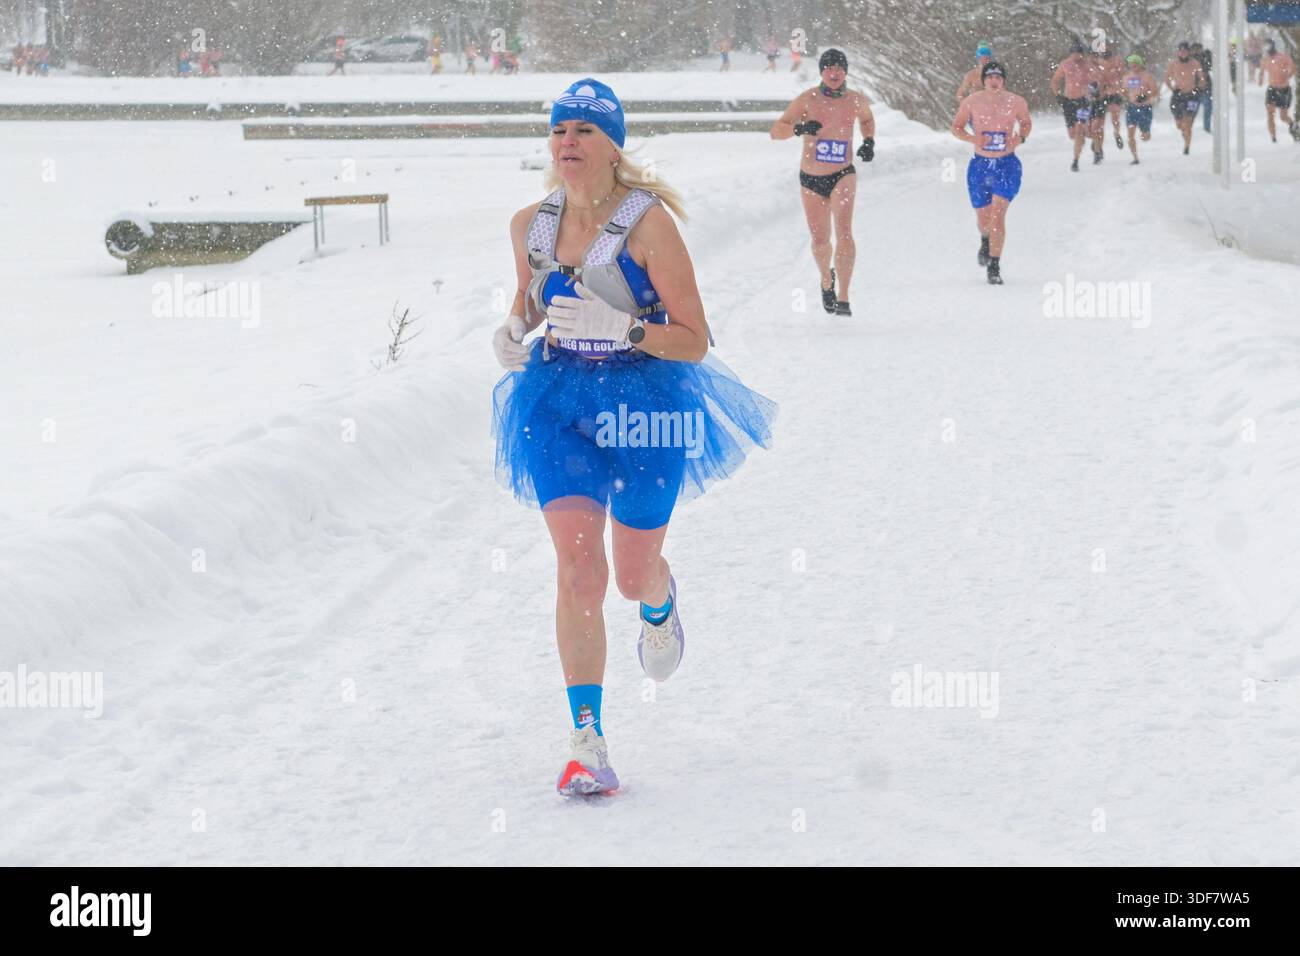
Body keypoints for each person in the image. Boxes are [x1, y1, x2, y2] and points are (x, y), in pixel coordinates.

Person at [491, 78, 777, 797]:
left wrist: (627, 328)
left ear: (614, 144)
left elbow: (695, 340)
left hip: (645, 404)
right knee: (579, 571)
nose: (568, 144)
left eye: (585, 131)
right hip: (556, 403)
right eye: (559, 131)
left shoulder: (647, 225)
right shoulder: (531, 223)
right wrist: (512, 331)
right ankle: (587, 742)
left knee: (626, 575)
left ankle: (660, 599)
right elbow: (527, 303)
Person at [770, 48, 875, 315]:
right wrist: (799, 129)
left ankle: (844, 297)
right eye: (829, 69)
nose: (834, 73)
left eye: (839, 68)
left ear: (846, 71)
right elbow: (776, 131)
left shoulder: (855, 99)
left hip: (843, 172)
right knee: (820, 239)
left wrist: (869, 141)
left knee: (844, 231)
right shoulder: (807, 100)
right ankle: (827, 280)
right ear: (821, 72)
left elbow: (867, 119)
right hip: (811, 178)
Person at [951, 62, 1030, 286]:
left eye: (998, 77)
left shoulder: (1016, 101)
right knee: (984, 219)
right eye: (990, 77)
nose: (994, 81)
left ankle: (994, 266)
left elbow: (1026, 123)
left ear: (1003, 80)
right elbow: (956, 127)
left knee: (997, 216)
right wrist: (973, 138)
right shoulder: (971, 102)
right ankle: (986, 240)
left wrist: (1020, 137)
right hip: (980, 166)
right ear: (983, 80)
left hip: (1006, 164)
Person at [1051, 41, 1093, 171]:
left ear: (1082, 54)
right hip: (1069, 101)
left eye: (1078, 53)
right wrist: (1058, 95)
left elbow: (1096, 80)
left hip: (1083, 101)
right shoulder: (1065, 64)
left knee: (1079, 129)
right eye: (1074, 53)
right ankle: (1082, 138)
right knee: (1072, 134)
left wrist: (1093, 91)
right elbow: (1055, 80)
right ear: (1070, 54)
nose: (1076, 56)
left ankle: (1075, 160)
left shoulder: (1087, 65)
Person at [1165, 42, 1205, 155]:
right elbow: (1167, 79)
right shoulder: (1173, 64)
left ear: (1189, 52)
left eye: (1185, 51)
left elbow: (1202, 79)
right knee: (1180, 125)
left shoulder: (1195, 63)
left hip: (1192, 96)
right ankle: (1184, 132)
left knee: (1188, 123)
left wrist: (1199, 89)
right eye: (1181, 51)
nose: (1183, 53)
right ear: (1178, 52)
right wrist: (1173, 88)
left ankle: (1187, 146)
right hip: (1178, 96)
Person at [1122, 55, 1159, 165]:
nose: (1133, 66)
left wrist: (1145, 96)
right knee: (1130, 133)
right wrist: (1124, 96)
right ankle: (1135, 157)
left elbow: (1155, 91)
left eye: (1136, 64)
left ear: (1140, 64)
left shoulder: (1147, 77)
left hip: (1145, 108)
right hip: (1132, 107)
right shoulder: (1126, 77)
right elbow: (1124, 91)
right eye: (1131, 64)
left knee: (1144, 137)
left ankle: (1146, 132)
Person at [1092, 42, 1127, 153]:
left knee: (1115, 115)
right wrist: (1097, 89)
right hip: (1102, 95)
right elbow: (1094, 79)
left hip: (1114, 93)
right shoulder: (1097, 63)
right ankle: (1097, 144)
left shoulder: (1117, 61)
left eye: (1105, 48)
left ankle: (1116, 133)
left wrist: (1120, 85)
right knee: (1099, 122)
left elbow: (1123, 75)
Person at [1259, 40, 1296, 143]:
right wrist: (1260, 79)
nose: (1267, 49)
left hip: (1284, 89)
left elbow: (1292, 68)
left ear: (1273, 46)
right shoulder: (1265, 59)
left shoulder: (1283, 57)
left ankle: (1292, 124)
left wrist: (1287, 74)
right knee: (1270, 113)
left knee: (1283, 117)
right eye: (1265, 47)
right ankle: (1273, 137)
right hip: (1272, 89)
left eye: (1268, 46)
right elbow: (1261, 72)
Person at [1191, 41, 1213, 133]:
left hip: (1204, 88)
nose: (1197, 51)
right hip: (1194, 89)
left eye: (1198, 49)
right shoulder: (1190, 60)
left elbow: (1209, 66)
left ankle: (1205, 128)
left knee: (1207, 108)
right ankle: (1189, 127)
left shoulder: (1204, 57)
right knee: (1192, 111)